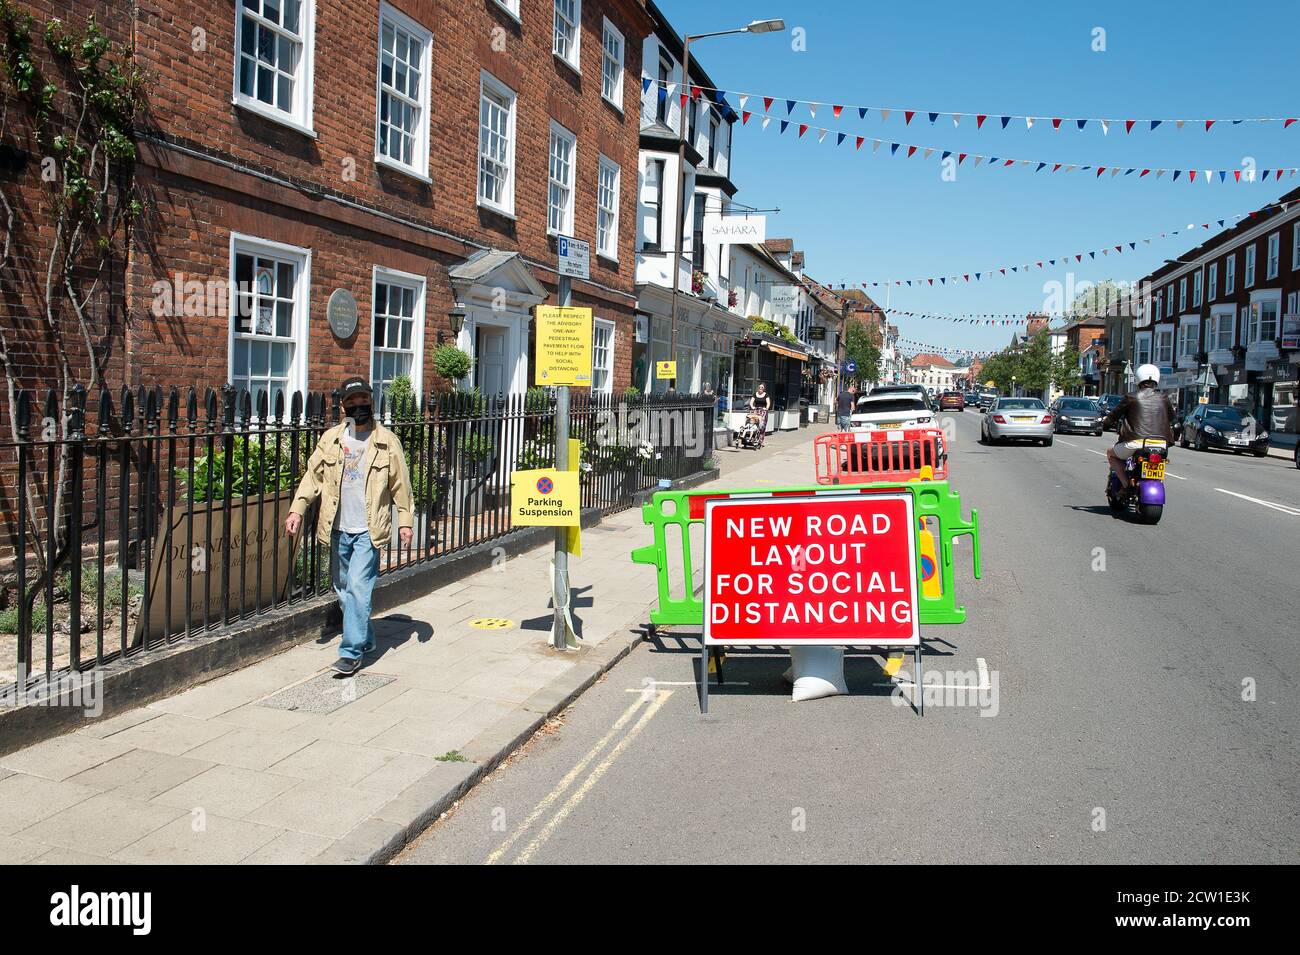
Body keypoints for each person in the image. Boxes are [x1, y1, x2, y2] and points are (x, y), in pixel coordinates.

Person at [285, 377, 414, 675]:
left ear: (371, 400)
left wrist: (405, 521)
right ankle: (366, 637)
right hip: (337, 527)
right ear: (343, 405)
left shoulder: (386, 442)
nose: (359, 406)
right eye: (352, 401)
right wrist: (298, 509)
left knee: (357, 586)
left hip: (369, 529)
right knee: (342, 588)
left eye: (363, 400)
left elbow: (401, 486)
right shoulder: (331, 439)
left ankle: (351, 651)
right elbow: (313, 477)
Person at [1102, 364, 1175, 490]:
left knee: (1111, 454)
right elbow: (1172, 417)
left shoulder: (1131, 397)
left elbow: (1115, 415)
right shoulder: (1164, 398)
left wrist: (1106, 422)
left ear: (1138, 379)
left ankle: (1125, 485)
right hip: (1160, 444)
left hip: (1136, 443)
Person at [749, 382, 770, 448]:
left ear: (764, 389)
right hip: (756, 411)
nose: (760, 388)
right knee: (754, 424)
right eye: (759, 387)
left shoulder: (766, 395)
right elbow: (751, 402)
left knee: (761, 427)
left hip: (763, 412)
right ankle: (753, 438)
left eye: (762, 387)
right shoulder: (755, 394)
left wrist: (766, 408)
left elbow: (768, 403)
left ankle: (760, 441)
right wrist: (752, 406)